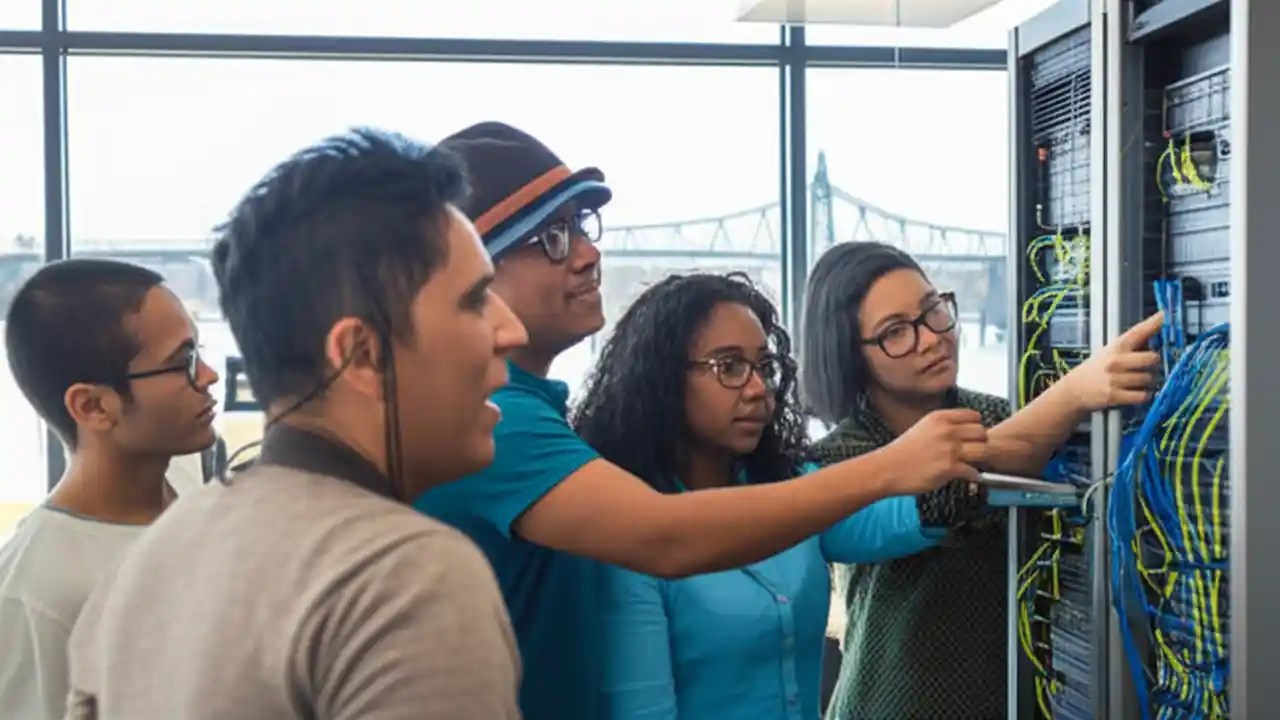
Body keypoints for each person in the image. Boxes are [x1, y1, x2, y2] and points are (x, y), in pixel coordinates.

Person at [413, 122, 1098, 720]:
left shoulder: (549, 423)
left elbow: (911, 507)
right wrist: (897, 462)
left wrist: (1050, 414)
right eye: (553, 238)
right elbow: (665, 538)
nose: (589, 254)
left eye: (761, 367)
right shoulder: (503, 425)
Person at [64, 128, 528, 719]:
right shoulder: (405, 577)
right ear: (361, 355)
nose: (511, 331)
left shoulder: (153, 556)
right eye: (475, 301)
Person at [801, 241, 1163, 720]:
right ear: (849, 354)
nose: (931, 338)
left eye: (934, 311)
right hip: (892, 702)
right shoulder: (839, 458)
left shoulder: (996, 415)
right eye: (896, 333)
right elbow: (948, 485)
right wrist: (1072, 394)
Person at [573, 272, 947, 719]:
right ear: (662, 379)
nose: (757, 390)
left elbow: (902, 517)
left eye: (764, 368)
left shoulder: (787, 484)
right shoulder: (632, 532)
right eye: (728, 367)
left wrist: (984, 458)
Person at [0, 258, 220, 720]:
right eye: (182, 362)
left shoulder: (191, 482)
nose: (208, 376)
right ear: (93, 406)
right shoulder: (38, 594)